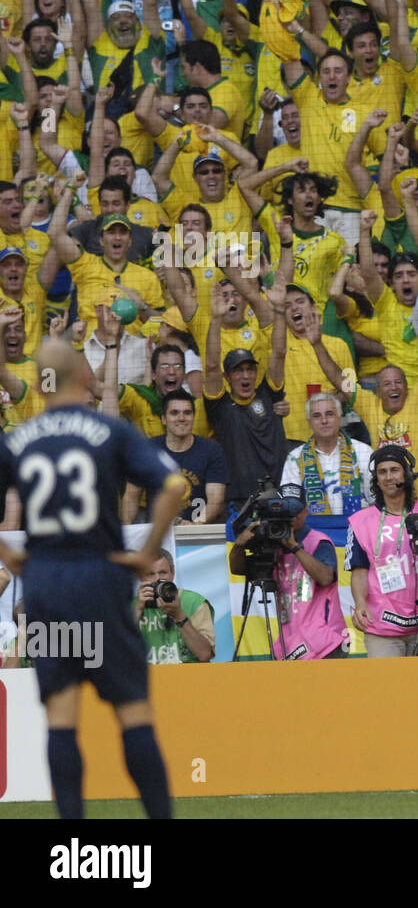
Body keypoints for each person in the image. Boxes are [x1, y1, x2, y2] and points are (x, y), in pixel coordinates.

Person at [0, 339, 189, 819]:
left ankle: (72, 843)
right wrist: (145, 553)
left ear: (40, 385)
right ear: (83, 379)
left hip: (45, 586)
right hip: (100, 581)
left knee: (62, 719)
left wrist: (9, 555)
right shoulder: (109, 432)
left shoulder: (19, 439)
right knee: (133, 713)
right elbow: (172, 487)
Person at [228, 482, 348, 660]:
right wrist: (239, 544)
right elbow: (238, 569)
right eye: (285, 511)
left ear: (305, 512)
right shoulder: (270, 544)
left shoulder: (319, 541)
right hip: (290, 645)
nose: (290, 516)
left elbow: (325, 578)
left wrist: (294, 547)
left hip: (326, 643)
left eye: (295, 510)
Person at [345, 446, 418, 657]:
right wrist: (359, 604)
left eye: (394, 470)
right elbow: (359, 571)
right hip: (382, 628)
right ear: (375, 479)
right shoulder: (360, 521)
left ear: (407, 474)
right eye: (382, 472)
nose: (388, 477)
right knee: (388, 690)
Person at [123, 389, 228, 524]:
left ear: (194, 417)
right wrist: (127, 532)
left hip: (199, 537)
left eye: (187, 413)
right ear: (164, 419)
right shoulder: (147, 449)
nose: (181, 418)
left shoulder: (212, 450)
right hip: (157, 538)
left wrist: (194, 525)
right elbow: (131, 496)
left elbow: (216, 501)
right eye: (174, 413)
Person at [281, 392, 374, 517]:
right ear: (309, 422)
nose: (324, 421)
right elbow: (290, 505)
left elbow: (376, 500)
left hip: (359, 530)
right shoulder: (295, 458)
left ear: (340, 417)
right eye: (317, 416)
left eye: (329, 414)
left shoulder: (363, 451)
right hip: (313, 533)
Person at [133, 550, 216, 664]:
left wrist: (179, 616)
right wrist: (137, 609)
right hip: (145, 679)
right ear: (141, 577)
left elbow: (205, 654)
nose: (157, 579)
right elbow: (114, 652)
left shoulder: (194, 602)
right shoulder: (129, 606)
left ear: (173, 573)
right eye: (150, 574)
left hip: (188, 678)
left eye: (163, 573)